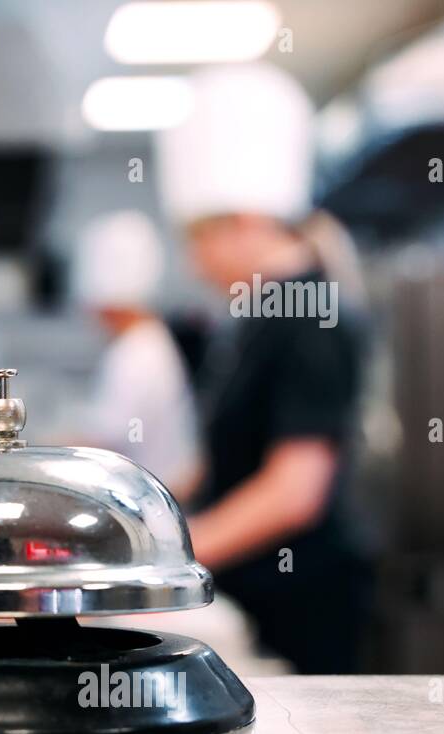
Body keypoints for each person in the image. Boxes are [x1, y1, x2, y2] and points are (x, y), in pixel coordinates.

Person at [157, 63, 371, 673]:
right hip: (259, 594)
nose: (196, 266)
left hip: (302, 603)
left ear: (245, 222)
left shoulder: (311, 312)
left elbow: (293, 493)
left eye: (199, 242)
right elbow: (226, 454)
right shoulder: (260, 316)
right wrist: (145, 513)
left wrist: (173, 561)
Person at [72, 210, 200, 496]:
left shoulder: (136, 353)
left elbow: (103, 441)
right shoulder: (148, 341)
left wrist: (40, 450)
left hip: (148, 500)